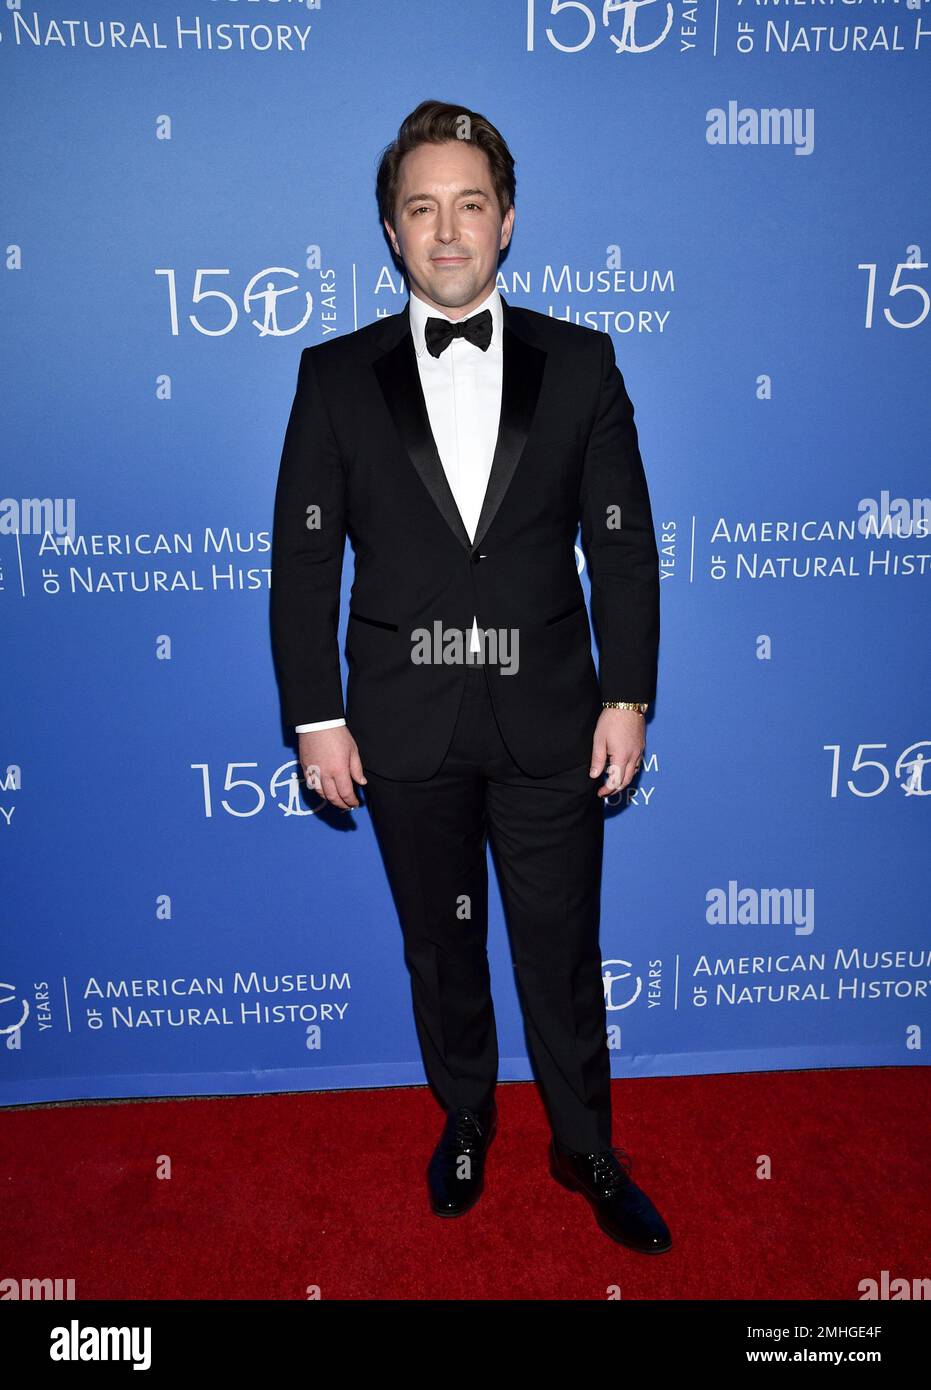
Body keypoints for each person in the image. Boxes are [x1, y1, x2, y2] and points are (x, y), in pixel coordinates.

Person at [270, 100, 671, 1254]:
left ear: (506, 222)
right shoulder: (334, 376)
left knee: (560, 942)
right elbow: (303, 562)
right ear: (392, 232)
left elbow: (622, 544)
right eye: (421, 208)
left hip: (552, 716)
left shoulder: (582, 363)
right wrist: (316, 717)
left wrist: (627, 694)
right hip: (402, 723)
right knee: (441, 943)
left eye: (470, 205)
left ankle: (585, 1142)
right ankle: (464, 1115)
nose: (448, 231)